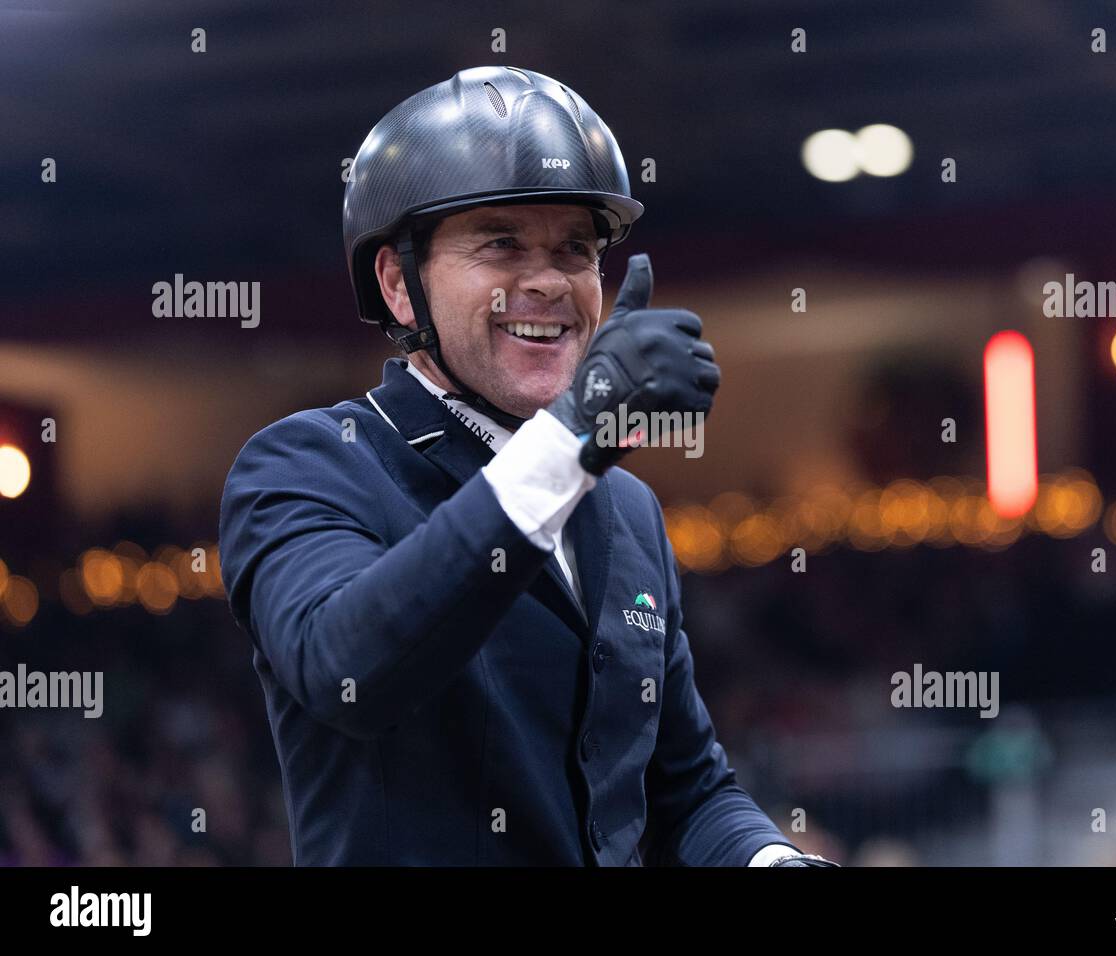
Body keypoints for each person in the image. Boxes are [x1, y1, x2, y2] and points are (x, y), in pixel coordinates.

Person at [219, 65, 836, 867]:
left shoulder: (629, 509)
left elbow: (686, 790)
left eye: (575, 250)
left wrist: (772, 861)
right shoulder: (305, 464)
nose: (547, 280)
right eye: (502, 243)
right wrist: (575, 436)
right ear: (401, 286)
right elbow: (350, 672)